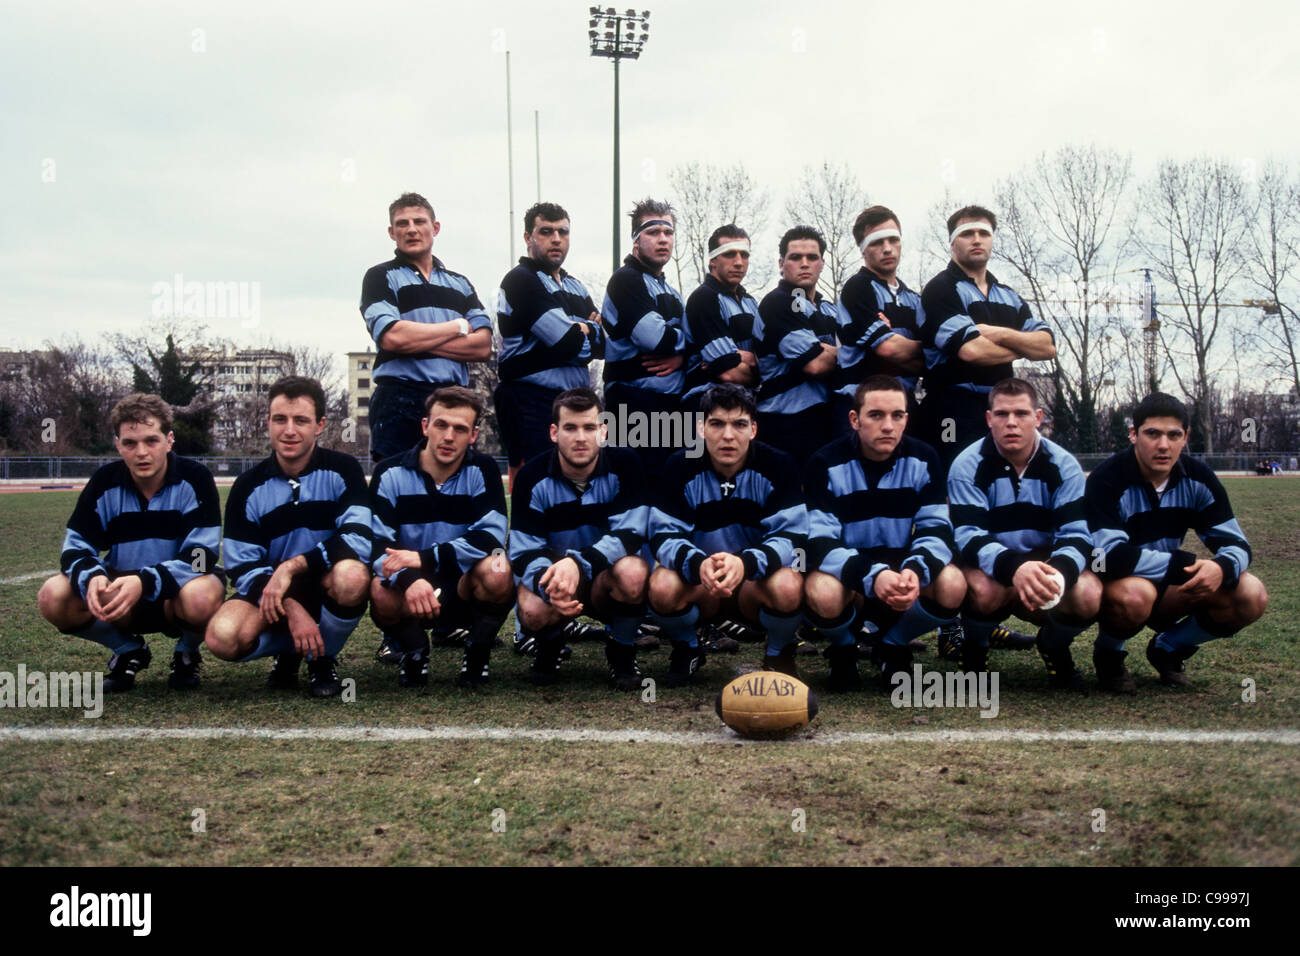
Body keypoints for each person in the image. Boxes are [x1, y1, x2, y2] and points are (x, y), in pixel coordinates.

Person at [38, 394, 224, 692]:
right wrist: (94, 577)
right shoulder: (104, 482)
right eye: (130, 443)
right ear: (117, 445)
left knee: (202, 595)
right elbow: (75, 546)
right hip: (120, 596)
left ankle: (186, 651)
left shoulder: (196, 478)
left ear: (169, 440)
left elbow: (202, 556)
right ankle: (128, 650)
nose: (141, 452)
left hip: (176, 594)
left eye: (151, 440)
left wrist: (146, 581)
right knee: (53, 595)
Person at [1087, 392, 1267, 691]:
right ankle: (1109, 654)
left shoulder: (1198, 478)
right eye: (1152, 434)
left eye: (1173, 435)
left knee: (1251, 594)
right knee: (1135, 594)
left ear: (1186, 438)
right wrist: (1184, 564)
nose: (1163, 445)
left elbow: (1238, 544)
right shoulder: (1106, 479)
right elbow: (1107, 557)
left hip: (1169, 587)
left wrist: (1221, 568)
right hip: (1120, 585)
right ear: (1133, 434)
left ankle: (1168, 648)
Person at [204, 377, 371, 698]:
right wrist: (292, 606)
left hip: (326, 586)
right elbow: (242, 568)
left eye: (301, 420)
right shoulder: (247, 486)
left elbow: (359, 539)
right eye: (280, 419)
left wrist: (291, 567)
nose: (289, 430)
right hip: (272, 593)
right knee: (222, 637)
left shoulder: (344, 470)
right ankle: (292, 651)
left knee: (352, 574)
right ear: (268, 422)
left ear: (320, 425)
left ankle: (321, 659)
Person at [804, 376, 964, 691]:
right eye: (876, 415)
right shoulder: (824, 462)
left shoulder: (925, 458)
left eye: (897, 415)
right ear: (855, 419)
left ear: (907, 418)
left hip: (901, 575)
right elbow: (819, 543)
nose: (888, 426)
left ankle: (893, 644)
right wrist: (872, 575)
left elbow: (937, 529)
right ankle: (844, 646)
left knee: (953, 584)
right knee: (822, 591)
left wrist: (915, 571)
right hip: (849, 578)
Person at [647, 384, 807, 685]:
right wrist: (698, 565)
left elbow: (792, 537)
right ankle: (688, 647)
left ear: (754, 429)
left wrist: (745, 564)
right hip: (702, 583)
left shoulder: (779, 465)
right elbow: (662, 536)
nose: (728, 435)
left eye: (739, 424)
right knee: (661, 584)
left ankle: (778, 653)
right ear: (701, 428)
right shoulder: (679, 466)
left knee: (789, 584)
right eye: (717, 423)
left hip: (754, 584)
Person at [947, 378, 1100, 689]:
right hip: (991, 562)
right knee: (981, 590)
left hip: (1046, 559)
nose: (1011, 423)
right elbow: (969, 536)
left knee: (1088, 594)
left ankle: (1054, 645)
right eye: (1002, 414)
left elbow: (1078, 535)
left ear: (1038, 418)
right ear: (989, 419)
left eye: (1021, 413)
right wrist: (1014, 568)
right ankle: (975, 647)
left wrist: (1056, 575)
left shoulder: (1065, 466)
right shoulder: (966, 465)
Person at [369, 387, 513, 689]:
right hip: (411, 589)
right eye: (441, 425)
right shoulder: (388, 472)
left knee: (499, 566)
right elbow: (376, 546)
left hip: (462, 586)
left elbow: (492, 536)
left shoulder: (482, 469)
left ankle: (477, 650)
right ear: (425, 426)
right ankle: (414, 650)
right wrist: (410, 578)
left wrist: (425, 557)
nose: (449, 437)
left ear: (473, 435)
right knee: (378, 589)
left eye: (460, 429)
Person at [509, 388, 651, 690]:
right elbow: (522, 551)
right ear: (553, 432)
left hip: (604, 578)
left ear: (603, 431)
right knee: (532, 609)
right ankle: (550, 644)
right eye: (570, 428)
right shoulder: (531, 477)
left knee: (634, 571)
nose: (580, 437)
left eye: (589, 427)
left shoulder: (626, 464)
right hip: (556, 578)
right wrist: (549, 585)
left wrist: (577, 563)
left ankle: (622, 650)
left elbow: (631, 534)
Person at [917, 205, 1055, 472]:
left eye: (984, 233)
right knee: (954, 477)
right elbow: (973, 352)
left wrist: (1002, 334)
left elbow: (1047, 346)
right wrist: (1022, 346)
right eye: (968, 233)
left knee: (998, 481)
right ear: (953, 243)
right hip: (951, 410)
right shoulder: (940, 289)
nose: (977, 239)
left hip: (1000, 408)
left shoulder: (1009, 295)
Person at [360, 191, 493, 463]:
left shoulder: (461, 284)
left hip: (453, 399)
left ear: (435, 228)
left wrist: (418, 339)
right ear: (391, 232)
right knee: (397, 491)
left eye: (419, 222)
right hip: (399, 400)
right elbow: (393, 338)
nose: (411, 229)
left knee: (452, 493)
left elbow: (482, 346)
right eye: (402, 223)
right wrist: (456, 327)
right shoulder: (379, 277)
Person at [495, 201, 604, 490]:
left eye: (563, 232)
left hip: (572, 398)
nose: (556, 239)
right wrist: (587, 328)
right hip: (529, 399)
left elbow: (604, 345)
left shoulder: (576, 286)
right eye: (546, 231)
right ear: (528, 237)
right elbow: (567, 343)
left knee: (572, 482)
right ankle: (522, 535)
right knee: (533, 481)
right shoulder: (521, 280)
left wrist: (583, 330)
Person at [601, 198, 687, 484]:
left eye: (668, 233)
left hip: (671, 405)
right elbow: (657, 340)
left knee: (671, 489)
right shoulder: (626, 280)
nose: (663, 239)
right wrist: (685, 342)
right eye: (653, 232)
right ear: (636, 241)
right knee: (636, 491)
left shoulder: (672, 292)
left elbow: (689, 342)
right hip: (633, 405)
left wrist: (683, 355)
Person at [832, 206, 924, 437]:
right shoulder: (858, 288)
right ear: (863, 250)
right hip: (861, 407)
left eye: (893, 240)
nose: (887, 248)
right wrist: (901, 345)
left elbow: (927, 360)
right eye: (876, 242)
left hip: (903, 405)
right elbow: (889, 349)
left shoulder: (914, 298)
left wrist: (900, 344)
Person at [754, 225, 839, 466]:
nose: (804, 263)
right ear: (781, 263)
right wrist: (850, 351)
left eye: (812, 257)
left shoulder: (829, 308)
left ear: (822, 263)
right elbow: (816, 364)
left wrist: (832, 350)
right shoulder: (778, 303)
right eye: (795, 257)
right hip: (784, 424)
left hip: (823, 420)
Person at [682, 225, 760, 408]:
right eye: (730, 254)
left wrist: (743, 358)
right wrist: (756, 366)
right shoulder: (704, 298)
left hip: (744, 403)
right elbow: (729, 373)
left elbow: (767, 357)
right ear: (713, 261)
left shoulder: (750, 301)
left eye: (744, 254)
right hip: (705, 404)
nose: (739, 262)